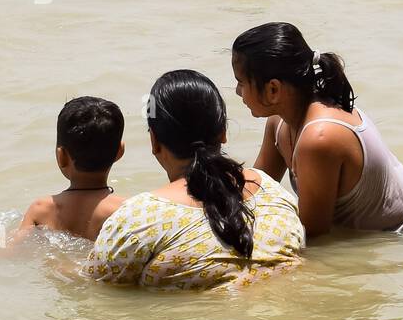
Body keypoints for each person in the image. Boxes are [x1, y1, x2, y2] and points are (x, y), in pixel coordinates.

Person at [86, 69, 304, 289]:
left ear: (154, 141)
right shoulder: (274, 194)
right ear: (223, 133)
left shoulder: (137, 220)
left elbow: (94, 288)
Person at [233, 22, 403, 236]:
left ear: (273, 89)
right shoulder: (279, 122)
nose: (236, 91)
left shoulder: (319, 138)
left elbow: (313, 237)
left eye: (241, 83)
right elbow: (255, 194)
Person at [14, 97, 125, 243]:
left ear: (61, 156)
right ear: (120, 151)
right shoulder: (125, 210)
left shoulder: (41, 210)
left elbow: (13, 252)